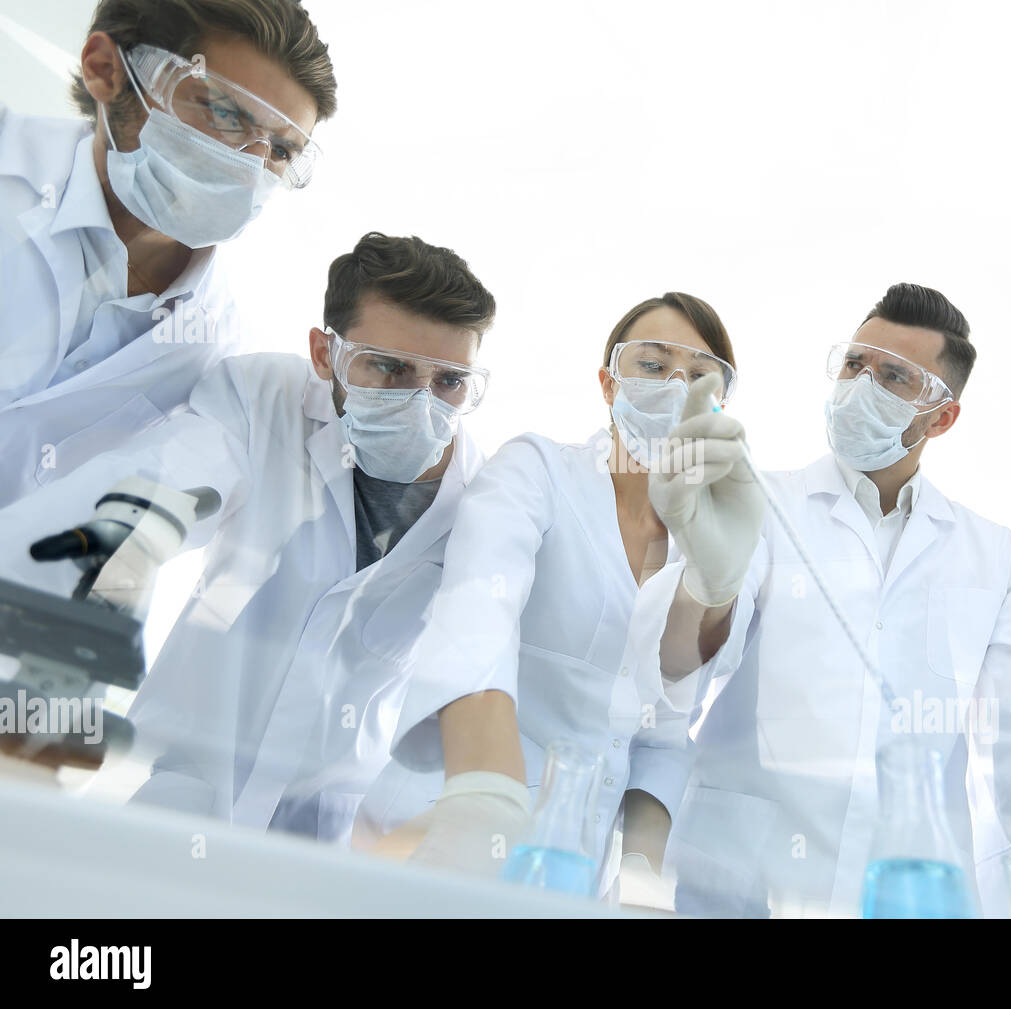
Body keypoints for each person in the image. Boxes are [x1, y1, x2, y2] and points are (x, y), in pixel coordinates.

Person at [627, 283, 1011, 917]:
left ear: (942, 416)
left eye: (893, 376)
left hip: (911, 897)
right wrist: (708, 581)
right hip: (739, 889)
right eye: (855, 365)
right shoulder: (761, 505)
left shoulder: (993, 557)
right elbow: (671, 679)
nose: (860, 387)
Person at [0, 233, 495, 843]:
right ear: (325, 355)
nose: (420, 403)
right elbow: (153, 492)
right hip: (175, 803)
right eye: (388, 368)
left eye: (448, 381)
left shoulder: (488, 509)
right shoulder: (265, 402)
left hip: (335, 848)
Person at [351, 293, 742, 896]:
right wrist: (487, 796)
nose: (674, 387)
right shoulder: (538, 471)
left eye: (698, 378)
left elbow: (661, 740)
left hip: (573, 879)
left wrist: (640, 879)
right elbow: (479, 607)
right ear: (609, 384)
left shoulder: (703, 545)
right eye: (654, 365)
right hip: (445, 830)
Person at [0, 0, 336, 507]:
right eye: (223, 112)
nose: (251, 167)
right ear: (106, 70)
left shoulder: (214, 349)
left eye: (281, 151)